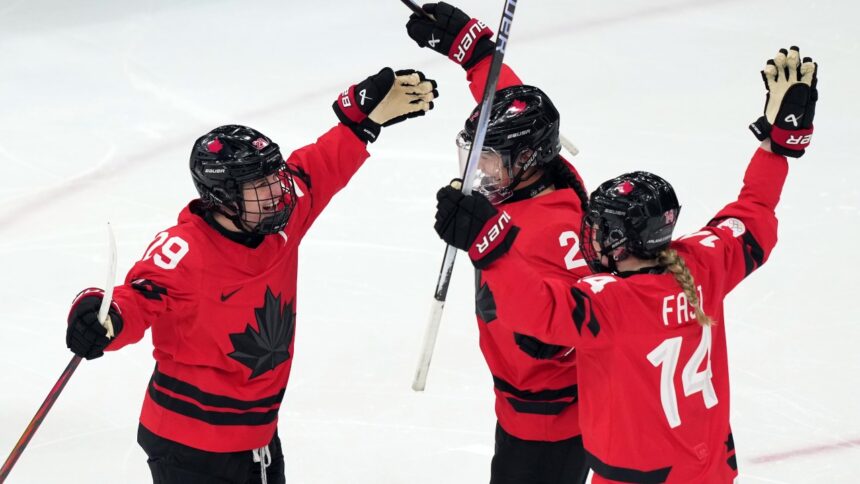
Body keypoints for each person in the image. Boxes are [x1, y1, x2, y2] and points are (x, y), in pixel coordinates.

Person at [433, 46, 818, 482]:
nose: (587, 234)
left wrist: (490, 245)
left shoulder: (613, 306)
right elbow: (754, 212)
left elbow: (535, 312)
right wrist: (778, 147)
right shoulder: (705, 264)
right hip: (711, 468)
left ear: (619, 242)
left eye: (596, 227)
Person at [64, 67, 438, 484]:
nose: (277, 192)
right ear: (222, 196)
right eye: (259, 185)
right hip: (190, 447)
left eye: (273, 177)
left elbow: (319, 169)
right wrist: (102, 315)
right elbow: (137, 297)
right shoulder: (185, 249)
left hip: (257, 436)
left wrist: (359, 124)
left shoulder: (280, 218)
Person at [407, 3, 592, 483]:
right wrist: (473, 50)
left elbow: (576, 328)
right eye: (472, 154)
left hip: (549, 427)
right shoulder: (541, 170)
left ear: (526, 159)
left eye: (486, 159)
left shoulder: (554, 230)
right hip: (519, 410)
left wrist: (538, 336)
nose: (475, 169)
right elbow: (507, 99)